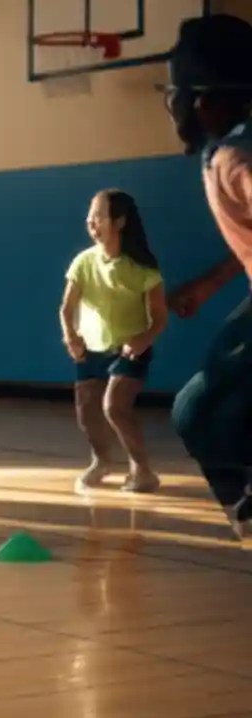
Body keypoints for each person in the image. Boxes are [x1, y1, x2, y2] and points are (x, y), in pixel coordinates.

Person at [162, 14, 252, 539]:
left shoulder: (236, 158)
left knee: (201, 412)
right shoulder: (228, 149)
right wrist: (213, 282)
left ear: (203, 100)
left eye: (173, 93)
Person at [59, 190, 167, 493]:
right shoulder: (82, 262)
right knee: (87, 411)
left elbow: (159, 317)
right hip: (90, 350)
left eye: (99, 216)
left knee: (115, 407)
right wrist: (71, 337)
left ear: (119, 222)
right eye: (90, 216)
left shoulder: (143, 269)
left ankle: (143, 470)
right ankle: (101, 461)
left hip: (129, 350)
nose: (91, 222)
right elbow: (66, 309)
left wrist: (143, 339)